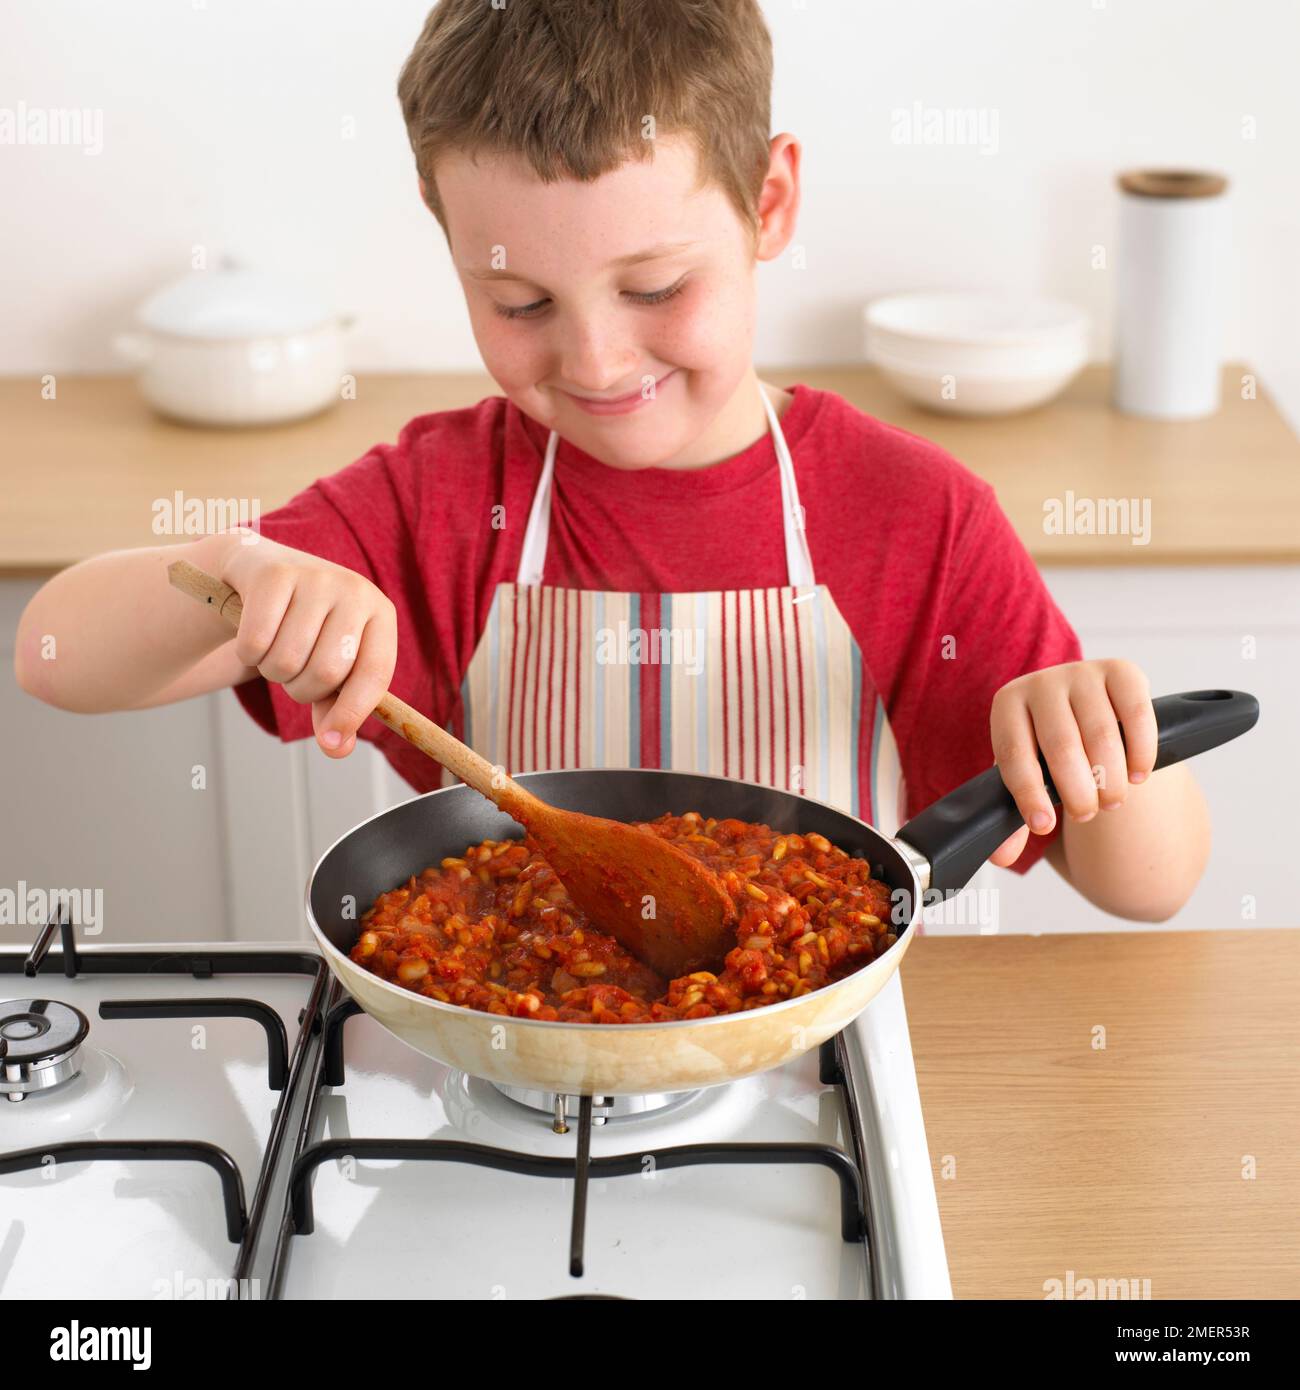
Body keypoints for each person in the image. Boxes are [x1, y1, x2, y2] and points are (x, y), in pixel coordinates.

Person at [14, 0, 1209, 922]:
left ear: (770, 203)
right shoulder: (441, 506)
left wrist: (1104, 743)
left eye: (654, 286)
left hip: (832, 1083)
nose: (592, 358)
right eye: (518, 298)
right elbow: (54, 653)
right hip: (506, 1073)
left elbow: (1151, 884)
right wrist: (236, 569)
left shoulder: (911, 517)